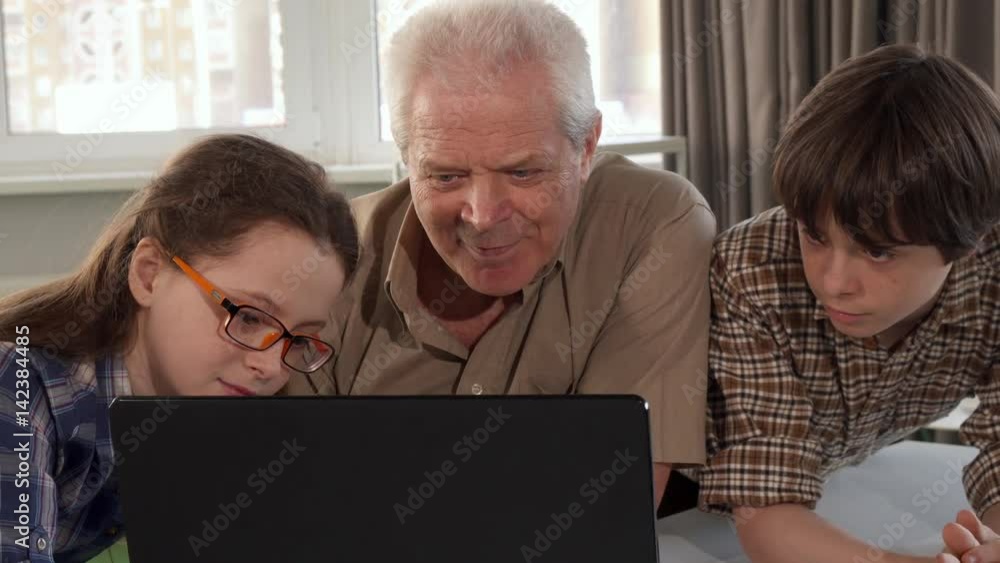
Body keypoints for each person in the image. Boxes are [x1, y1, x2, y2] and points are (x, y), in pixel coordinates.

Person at [286, 0, 717, 509]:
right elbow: (289, 495)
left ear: (586, 148)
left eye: (523, 172)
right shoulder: (329, 255)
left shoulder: (651, 222)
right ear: (406, 160)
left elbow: (607, 506)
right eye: (446, 175)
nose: (484, 215)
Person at [700, 44, 1000, 563]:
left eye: (878, 251)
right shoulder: (753, 270)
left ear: (970, 240)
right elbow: (766, 511)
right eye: (813, 236)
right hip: (673, 500)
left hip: (827, 479)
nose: (834, 281)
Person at [0, 134, 359, 562]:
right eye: (248, 316)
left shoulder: (205, 422)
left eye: (297, 338)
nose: (270, 367)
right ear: (150, 274)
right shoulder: (18, 387)